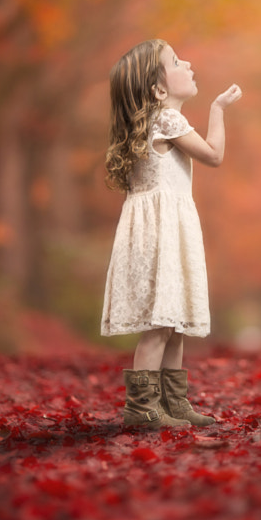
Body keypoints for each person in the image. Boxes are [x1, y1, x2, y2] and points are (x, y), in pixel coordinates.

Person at [101, 39, 242, 430]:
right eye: (177, 62)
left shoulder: (152, 121)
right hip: (163, 231)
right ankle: (143, 407)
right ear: (159, 90)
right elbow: (214, 155)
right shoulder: (167, 119)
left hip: (153, 229)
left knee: (172, 319)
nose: (189, 63)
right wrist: (217, 109)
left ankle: (172, 402)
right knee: (161, 324)